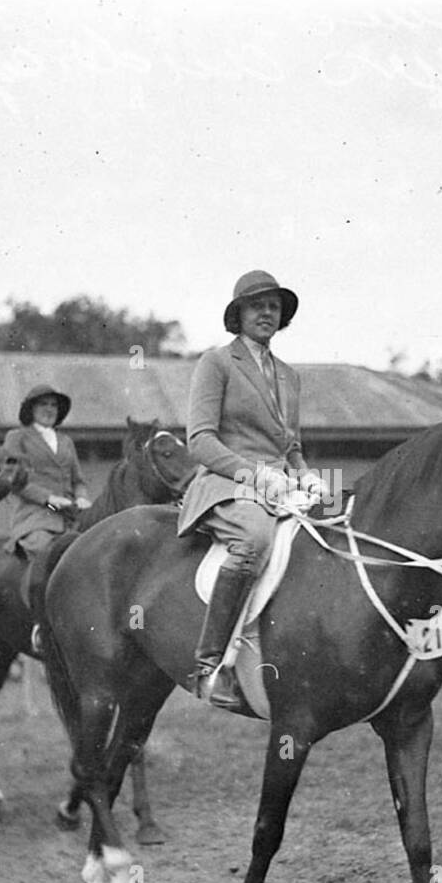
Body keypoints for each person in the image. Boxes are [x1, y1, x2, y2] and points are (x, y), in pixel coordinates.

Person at [177, 269, 327, 708]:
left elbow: (290, 446)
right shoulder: (217, 363)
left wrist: (306, 475)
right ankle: (213, 664)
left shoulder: (289, 376)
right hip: (227, 484)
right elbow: (200, 440)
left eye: (274, 306)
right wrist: (255, 475)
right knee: (255, 539)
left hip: (281, 486)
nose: (267, 312)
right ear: (238, 314)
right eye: (257, 305)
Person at [2, 385, 92, 653]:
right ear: (31, 409)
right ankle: (42, 624)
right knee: (47, 553)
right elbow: (13, 479)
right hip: (35, 515)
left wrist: (82, 496)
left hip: (68, 516)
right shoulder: (17, 437)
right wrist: (49, 499)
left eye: (54, 405)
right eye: (43, 405)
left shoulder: (66, 442)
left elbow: (79, 480)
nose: (49, 410)